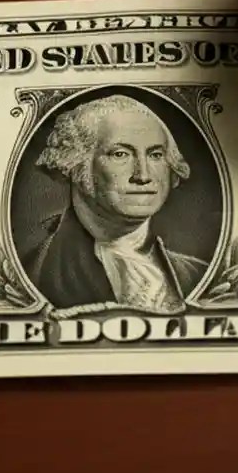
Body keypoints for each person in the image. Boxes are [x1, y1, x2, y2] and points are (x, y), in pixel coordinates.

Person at [21, 94, 209, 312]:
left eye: (155, 155)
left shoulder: (196, 275)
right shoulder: (32, 275)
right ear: (75, 164)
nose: (143, 175)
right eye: (120, 154)